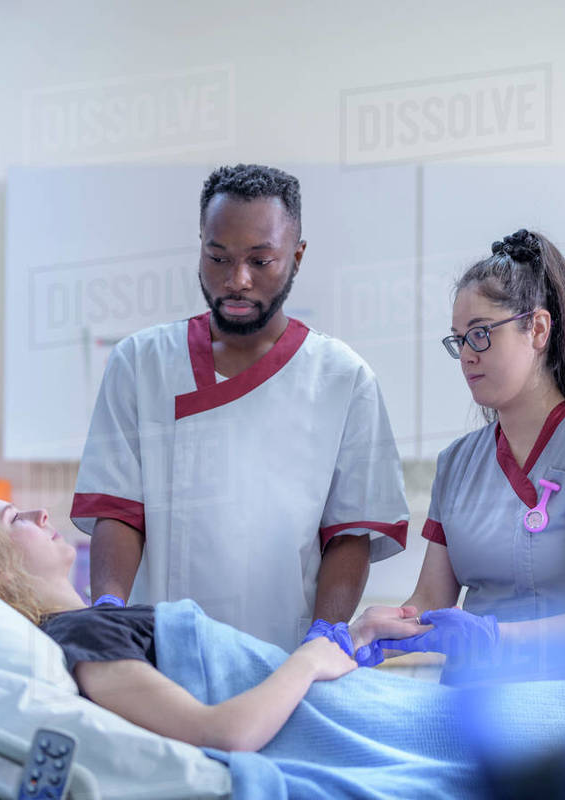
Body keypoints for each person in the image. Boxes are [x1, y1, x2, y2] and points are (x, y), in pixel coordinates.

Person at [71, 164, 409, 651]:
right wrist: (108, 613)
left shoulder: (342, 378)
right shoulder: (140, 363)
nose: (237, 280)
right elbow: (119, 510)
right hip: (161, 653)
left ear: (296, 256)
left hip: (285, 658)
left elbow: (348, 531)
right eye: (218, 257)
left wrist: (325, 635)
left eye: (261, 261)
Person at [0, 493, 426, 754]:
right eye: (15, 519)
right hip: (342, 729)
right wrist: (310, 659)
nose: (42, 515)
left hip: (344, 707)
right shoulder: (79, 637)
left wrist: (353, 637)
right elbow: (223, 733)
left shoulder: (87, 625)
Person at [377, 229, 565, 682]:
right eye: (458, 340)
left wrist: (495, 637)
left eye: (480, 335)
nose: (466, 355)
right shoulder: (457, 464)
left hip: (562, 710)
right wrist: (366, 635)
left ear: (537, 329)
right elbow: (429, 602)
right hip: (469, 705)